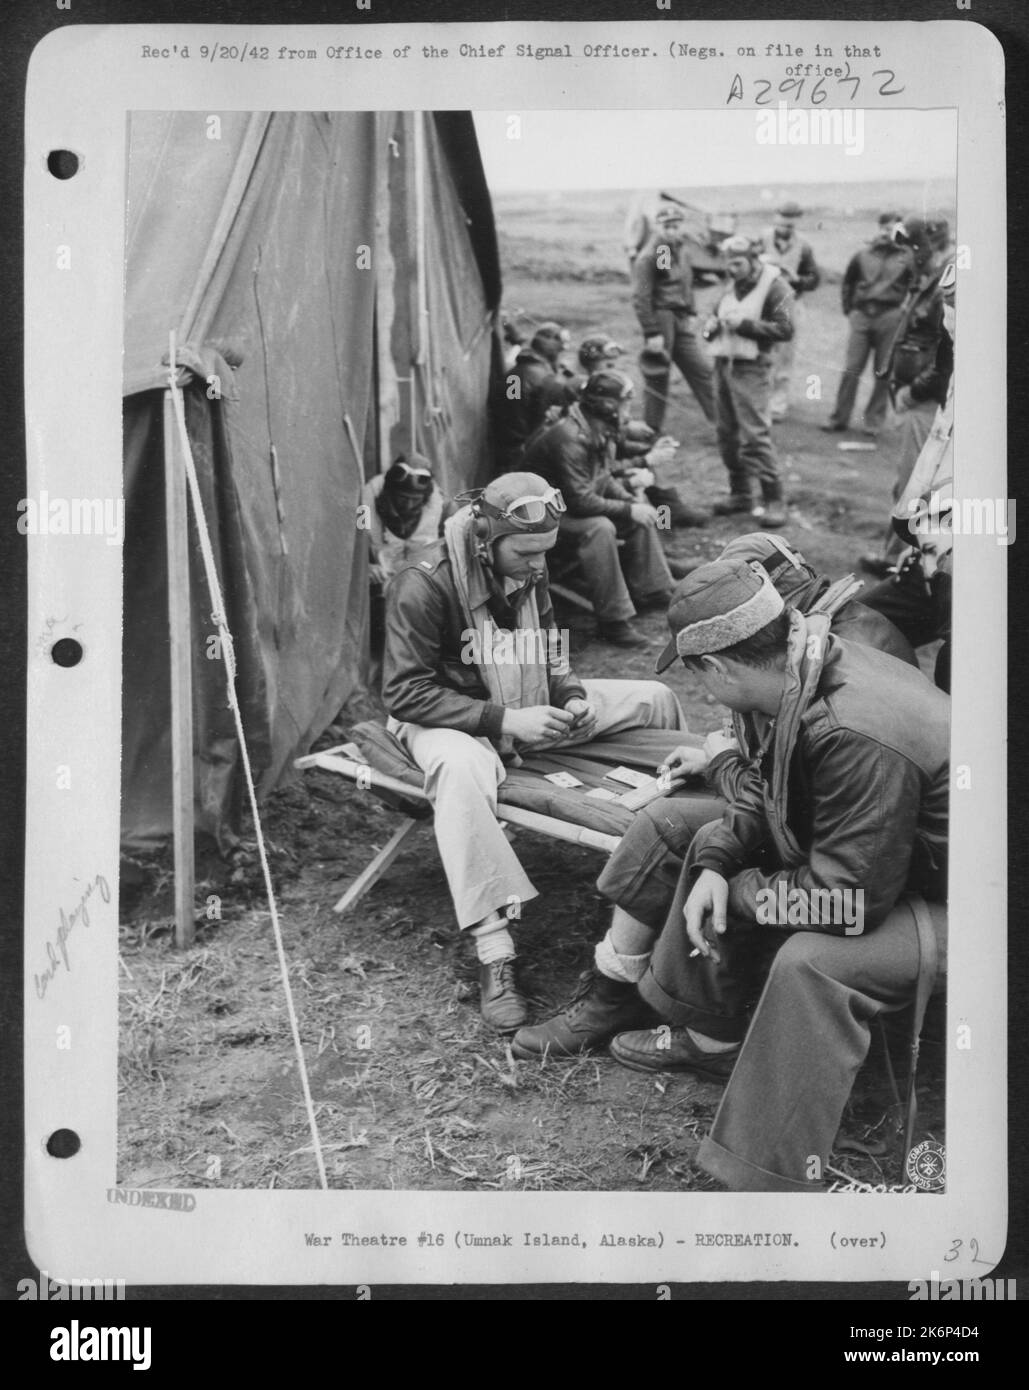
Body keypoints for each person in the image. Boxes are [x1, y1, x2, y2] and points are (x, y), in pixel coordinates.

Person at [528, 560, 949, 1191]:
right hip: (896, 868)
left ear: (718, 668)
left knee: (813, 960)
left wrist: (742, 893)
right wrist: (720, 861)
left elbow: (846, 907)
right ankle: (709, 1032)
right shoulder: (802, 666)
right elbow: (765, 786)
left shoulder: (855, 725)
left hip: (972, 903)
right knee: (698, 837)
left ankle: (762, 1180)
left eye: (697, 676)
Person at [512, 533, 917, 1060]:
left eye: (702, 674)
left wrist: (734, 879)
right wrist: (716, 849)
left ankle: (714, 1037)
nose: (703, 691)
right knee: (676, 828)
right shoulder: (800, 656)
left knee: (710, 858)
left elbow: (847, 894)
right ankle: (617, 993)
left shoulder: (847, 709)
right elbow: (776, 785)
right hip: (835, 831)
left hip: (885, 873)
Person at [381, 472, 686, 1030]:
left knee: (652, 696)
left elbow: (550, 648)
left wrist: (569, 697)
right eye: (526, 552)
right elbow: (405, 693)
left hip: (522, 706)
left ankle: (652, 864)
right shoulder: (421, 583)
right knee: (460, 765)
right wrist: (503, 720)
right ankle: (495, 950)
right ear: (483, 541)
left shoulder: (528, 569)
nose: (540, 566)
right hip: (449, 723)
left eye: (546, 552)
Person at [523, 370, 678, 648]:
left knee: (634, 508)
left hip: (563, 506)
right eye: (624, 403)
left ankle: (653, 587)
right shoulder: (569, 437)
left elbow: (602, 477)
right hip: (536, 519)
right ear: (607, 404)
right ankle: (613, 621)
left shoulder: (597, 425)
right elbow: (582, 501)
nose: (627, 410)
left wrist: (631, 506)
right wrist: (628, 510)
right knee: (600, 528)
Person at [860, 223, 954, 577]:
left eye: (910, 248)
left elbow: (946, 353)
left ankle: (904, 562)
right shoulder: (926, 278)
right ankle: (895, 556)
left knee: (916, 484)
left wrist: (915, 390)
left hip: (927, 399)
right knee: (909, 482)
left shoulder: (942, 285)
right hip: (918, 394)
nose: (904, 256)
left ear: (926, 246)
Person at [703, 235, 794, 527]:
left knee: (755, 435)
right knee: (726, 434)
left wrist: (743, 326)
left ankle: (774, 499)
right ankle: (740, 493)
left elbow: (785, 329)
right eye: (728, 263)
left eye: (738, 262)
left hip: (752, 368)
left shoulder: (776, 286)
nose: (732, 268)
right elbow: (715, 313)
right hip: (723, 365)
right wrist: (711, 327)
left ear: (753, 260)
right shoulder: (732, 283)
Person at [822, 212, 915, 436]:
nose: (887, 232)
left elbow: (916, 288)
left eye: (893, 228)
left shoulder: (907, 258)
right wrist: (850, 310)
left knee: (883, 372)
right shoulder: (862, 255)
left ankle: (873, 422)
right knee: (851, 368)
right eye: (884, 228)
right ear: (879, 228)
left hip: (890, 316)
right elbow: (848, 283)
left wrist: (905, 312)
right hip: (862, 315)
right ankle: (839, 418)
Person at [631, 204, 716, 432]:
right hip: (661, 319)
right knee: (658, 374)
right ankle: (650, 430)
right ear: (658, 226)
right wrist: (652, 331)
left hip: (679, 318)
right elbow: (641, 297)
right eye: (666, 226)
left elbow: (679, 283)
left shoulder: (675, 249)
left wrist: (689, 311)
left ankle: (722, 423)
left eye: (675, 226)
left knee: (702, 371)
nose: (671, 230)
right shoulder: (650, 255)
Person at [362, 455, 445, 678]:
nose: (408, 505)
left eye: (415, 499)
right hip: (379, 578)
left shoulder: (442, 508)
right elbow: (354, 542)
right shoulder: (365, 506)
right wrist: (365, 567)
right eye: (402, 497)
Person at [758, 200, 820, 421]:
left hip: (790, 303)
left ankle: (777, 405)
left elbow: (814, 278)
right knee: (761, 352)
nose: (785, 230)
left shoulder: (804, 246)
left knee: (785, 357)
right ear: (775, 219)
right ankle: (759, 400)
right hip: (762, 304)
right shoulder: (761, 239)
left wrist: (798, 279)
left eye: (790, 226)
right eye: (782, 225)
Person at [497, 321, 576, 470]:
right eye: (559, 353)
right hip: (523, 454)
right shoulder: (545, 381)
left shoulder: (517, 372)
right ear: (553, 352)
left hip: (507, 447)